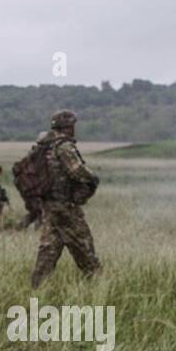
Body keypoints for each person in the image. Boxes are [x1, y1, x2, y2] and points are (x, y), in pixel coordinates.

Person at [29, 109, 101, 286]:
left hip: (49, 205)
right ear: (69, 126)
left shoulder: (44, 146)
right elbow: (77, 171)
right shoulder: (64, 147)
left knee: (49, 249)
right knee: (84, 247)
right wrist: (93, 178)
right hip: (65, 206)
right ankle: (98, 285)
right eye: (73, 125)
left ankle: (38, 288)